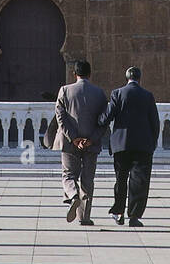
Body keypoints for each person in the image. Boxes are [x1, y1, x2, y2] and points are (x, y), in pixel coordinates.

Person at [97, 66, 159, 227]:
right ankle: (134, 215)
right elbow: (155, 122)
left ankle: (118, 212)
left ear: (126, 78)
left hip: (121, 145)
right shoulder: (148, 96)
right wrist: (152, 143)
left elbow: (108, 116)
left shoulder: (117, 93)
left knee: (121, 179)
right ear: (140, 79)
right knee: (139, 181)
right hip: (143, 146)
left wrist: (98, 120)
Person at [53, 60, 108, 225]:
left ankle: (72, 195)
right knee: (88, 179)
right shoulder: (99, 93)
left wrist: (73, 137)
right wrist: (91, 139)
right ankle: (84, 217)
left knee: (68, 174)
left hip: (70, 143)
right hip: (91, 143)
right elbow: (104, 121)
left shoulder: (65, 90)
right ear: (90, 74)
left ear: (74, 74)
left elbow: (60, 117)